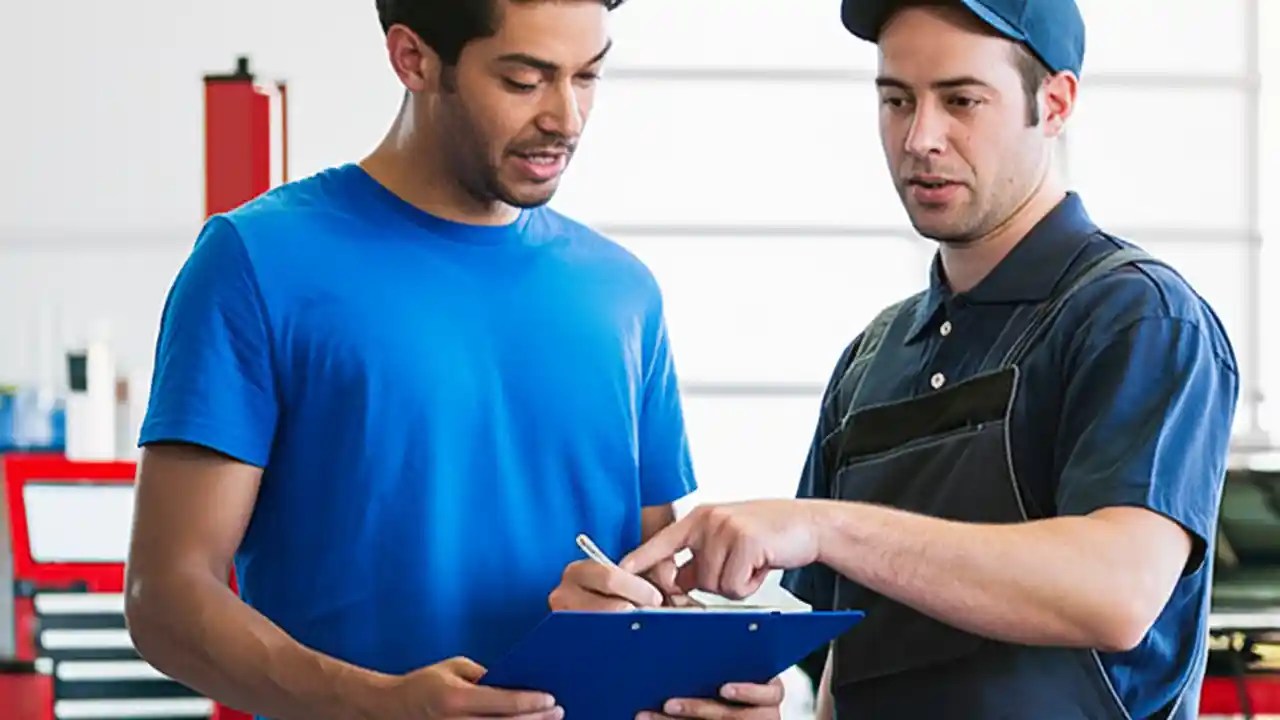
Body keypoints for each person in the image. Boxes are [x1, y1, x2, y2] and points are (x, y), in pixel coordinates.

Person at [560, 0, 1242, 718]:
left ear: (1056, 101)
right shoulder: (872, 360)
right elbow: (831, 679)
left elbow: (1116, 593)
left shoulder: (1136, 319)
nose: (920, 137)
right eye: (896, 100)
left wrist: (823, 526)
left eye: (961, 100)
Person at [121, 2, 783, 719]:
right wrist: (378, 704)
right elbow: (166, 597)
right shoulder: (255, 263)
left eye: (587, 76)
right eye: (525, 80)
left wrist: (713, 683)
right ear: (414, 59)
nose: (567, 117)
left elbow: (652, 588)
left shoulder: (623, 293)